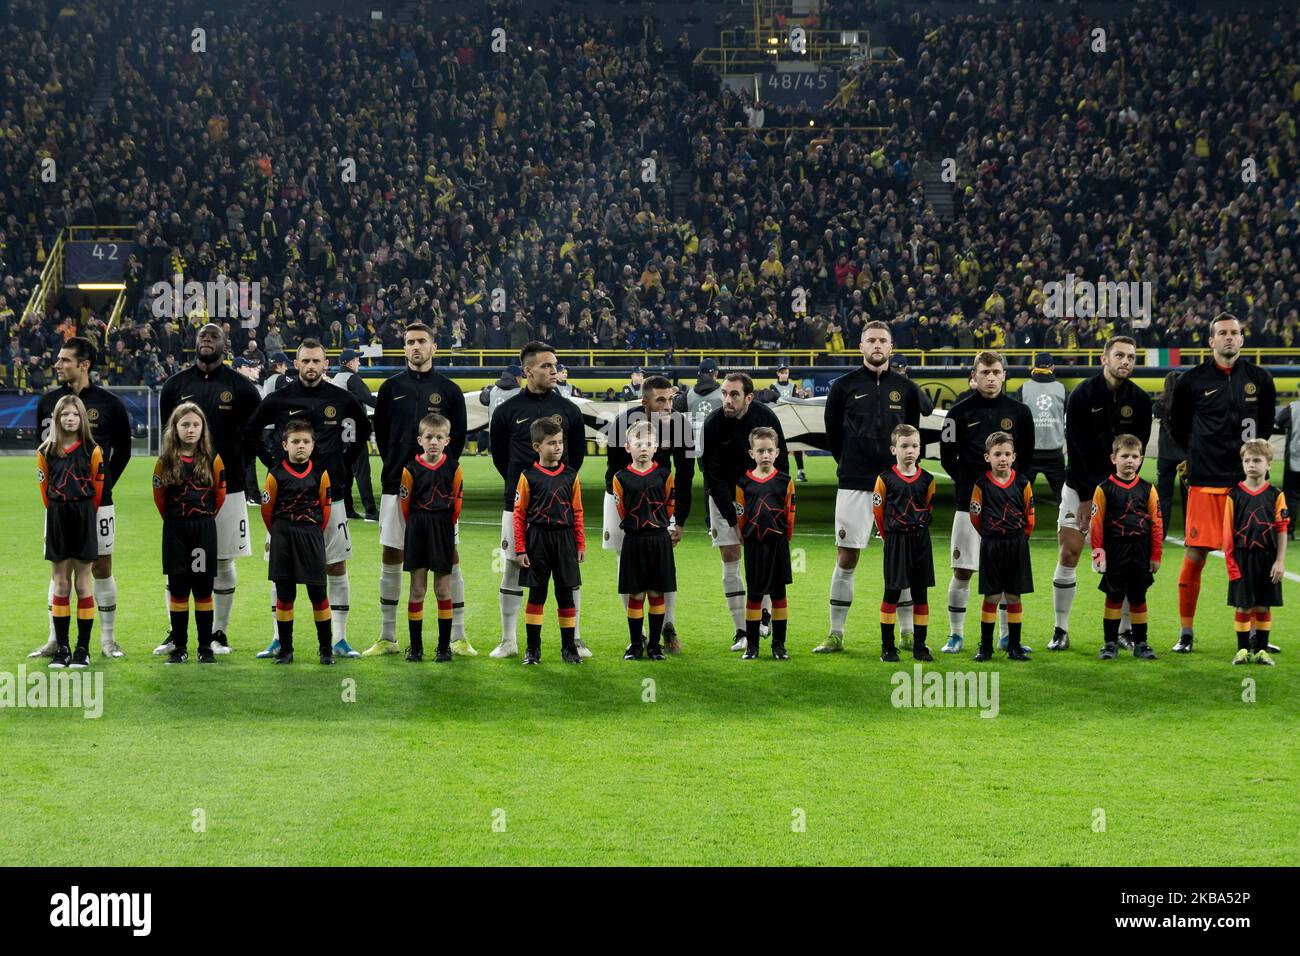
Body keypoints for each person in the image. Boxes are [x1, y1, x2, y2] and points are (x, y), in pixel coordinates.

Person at [244, 339, 369, 660]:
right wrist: (273, 463)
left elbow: (361, 432)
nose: (311, 367)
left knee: (336, 565)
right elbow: (251, 432)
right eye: (305, 361)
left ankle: (339, 639)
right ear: (296, 364)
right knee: (279, 570)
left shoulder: (342, 399)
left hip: (332, 498)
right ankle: (277, 639)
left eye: (317, 361)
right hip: (287, 502)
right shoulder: (279, 398)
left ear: (325, 364)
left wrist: (342, 467)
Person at [1169, 314, 1276, 653]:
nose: (1229, 338)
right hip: (1206, 482)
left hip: (1248, 486)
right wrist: (1201, 454)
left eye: (1235, 333)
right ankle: (1186, 633)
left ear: (1242, 340)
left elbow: (1266, 426)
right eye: (1222, 333)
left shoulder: (1260, 379)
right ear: (1211, 340)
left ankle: (1259, 637)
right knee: (1195, 555)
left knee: (1257, 558)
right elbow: (1179, 426)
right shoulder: (1192, 380)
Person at [156, 324, 262, 656]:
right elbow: (166, 438)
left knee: (224, 559)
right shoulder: (175, 385)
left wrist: (239, 471)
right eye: (203, 336)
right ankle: (176, 634)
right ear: (195, 343)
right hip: (181, 490)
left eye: (214, 337)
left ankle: (219, 632)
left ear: (225, 345)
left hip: (227, 487)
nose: (207, 340)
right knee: (178, 565)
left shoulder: (242, 388)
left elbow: (254, 436)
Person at [817, 322, 922, 653]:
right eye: (871, 340)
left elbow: (911, 433)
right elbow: (832, 433)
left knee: (903, 557)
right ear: (860, 346)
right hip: (855, 481)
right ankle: (836, 633)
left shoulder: (905, 388)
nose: (877, 345)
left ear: (891, 347)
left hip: (898, 484)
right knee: (847, 556)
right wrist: (850, 460)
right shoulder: (843, 386)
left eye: (883, 341)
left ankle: (906, 633)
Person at [29, 337, 132, 660]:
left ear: (84, 364)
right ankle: (54, 640)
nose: (58, 365)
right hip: (60, 505)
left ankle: (107, 640)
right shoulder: (48, 403)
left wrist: (100, 487)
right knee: (59, 569)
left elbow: (123, 452)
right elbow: (43, 453)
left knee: (101, 567)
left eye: (65, 360)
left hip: (98, 503)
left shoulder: (110, 403)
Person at [371, 323, 470, 656]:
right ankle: (388, 636)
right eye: (410, 342)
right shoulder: (389, 388)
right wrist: (399, 469)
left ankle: (457, 636)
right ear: (404, 348)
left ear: (434, 347)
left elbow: (458, 439)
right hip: (395, 485)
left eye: (422, 341)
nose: (416, 347)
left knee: (449, 558)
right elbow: (382, 436)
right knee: (392, 553)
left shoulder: (450, 391)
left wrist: (440, 475)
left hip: (438, 492)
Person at [1049, 336, 1152, 651]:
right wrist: (1084, 496)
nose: (1126, 362)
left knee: (1123, 561)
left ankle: (1123, 631)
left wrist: (1125, 490)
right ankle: (1060, 629)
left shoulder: (1141, 400)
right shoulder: (1083, 394)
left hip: (1121, 494)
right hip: (1080, 488)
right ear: (1104, 359)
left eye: (1131, 357)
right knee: (1069, 553)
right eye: (1119, 355)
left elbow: (1138, 450)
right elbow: (1075, 446)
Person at [489, 341, 588, 658]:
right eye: (546, 366)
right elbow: (500, 458)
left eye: (555, 365)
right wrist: (523, 486)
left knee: (566, 573)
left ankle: (575, 639)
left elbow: (577, 458)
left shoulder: (571, 410)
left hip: (559, 511)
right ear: (527, 370)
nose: (554, 371)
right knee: (513, 567)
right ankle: (509, 640)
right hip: (518, 507)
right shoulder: (507, 412)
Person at [938, 351, 1035, 654]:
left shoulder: (1020, 412)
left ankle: (1007, 636)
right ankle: (956, 635)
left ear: (1004, 375)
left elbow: (1027, 457)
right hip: (969, 504)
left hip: (1008, 509)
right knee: (963, 569)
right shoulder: (957, 412)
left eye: (996, 372)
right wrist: (972, 484)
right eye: (985, 372)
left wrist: (1007, 490)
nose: (991, 378)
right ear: (974, 375)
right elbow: (946, 457)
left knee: (1007, 576)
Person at [602, 373, 694, 653]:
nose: (668, 406)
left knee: (662, 566)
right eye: (661, 400)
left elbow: (686, 476)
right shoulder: (622, 423)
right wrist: (632, 513)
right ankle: (638, 635)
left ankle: (668, 627)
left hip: (659, 495)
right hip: (623, 496)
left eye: (671, 399)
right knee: (625, 563)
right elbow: (614, 474)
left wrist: (679, 518)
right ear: (645, 402)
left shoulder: (681, 425)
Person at [700, 371, 789, 651]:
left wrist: (775, 501)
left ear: (749, 397)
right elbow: (712, 475)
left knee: (762, 554)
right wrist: (733, 518)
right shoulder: (713, 423)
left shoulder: (765, 417)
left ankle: (763, 614)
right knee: (730, 554)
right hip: (725, 494)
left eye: (734, 394)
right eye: (724, 393)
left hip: (761, 497)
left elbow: (781, 459)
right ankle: (740, 631)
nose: (727, 399)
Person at [153, 403, 226, 664]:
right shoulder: (164, 462)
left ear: (203, 428)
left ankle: (205, 647)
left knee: (204, 590)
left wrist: (201, 519)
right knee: (179, 589)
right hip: (175, 530)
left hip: (203, 529)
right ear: (175, 429)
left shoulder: (212, 459)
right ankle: (180, 647)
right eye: (185, 425)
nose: (191, 429)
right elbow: (159, 498)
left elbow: (220, 494)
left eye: (196, 424)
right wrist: (178, 521)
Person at [37, 394, 104, 670]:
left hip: (84, 514)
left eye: (75, 414)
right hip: (57, 516)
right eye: (64, 414)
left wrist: (82, 510)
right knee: (61, 582)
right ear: (57, 418)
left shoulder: (92, 449)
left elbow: (97, 492)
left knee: (83, 582)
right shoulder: (45, 451)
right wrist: (58, 509)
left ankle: (82, 649)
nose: (70, 418)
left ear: (82, 418)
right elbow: (44, 492)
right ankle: (62, 649)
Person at [261, 419, 335, 665]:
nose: (300, 446)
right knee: (285, 594)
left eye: (305, 442)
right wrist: (281, 532)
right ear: (285, 445)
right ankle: (286, 650)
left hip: (311, 535)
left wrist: (312, 530)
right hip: (283, 535)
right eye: (295, 442)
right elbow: (267, 510)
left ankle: (325, 649)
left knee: (318, 592)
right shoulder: (275, 474)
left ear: (313, 445)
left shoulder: (320, 473)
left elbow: (325, 508)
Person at [513, 417, 586, 665]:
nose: (558, 447)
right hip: (537, 540)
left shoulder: (570, 475)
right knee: (537, 595)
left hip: (564, 540)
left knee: (566, 595)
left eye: (561, 442)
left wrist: (580, 544)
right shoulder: (528, 476)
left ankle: (569, 648)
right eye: (552, 443)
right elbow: (519, 513)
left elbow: (577, 511)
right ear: (537, 447)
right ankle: (533, 649)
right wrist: (521, 548)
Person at [1089, 434, 1162, 661]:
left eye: (1134, 456)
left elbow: (1157, 523)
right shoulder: (1103, 489)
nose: (1129, 461)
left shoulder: (1148, 489)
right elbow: (1096, 523)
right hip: (1115, 550)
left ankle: (1141, 643)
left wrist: (1156, 554)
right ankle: (1109, 644)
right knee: (1114, 596)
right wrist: (1098, 554)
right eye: (1124, 456)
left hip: (1140, 550)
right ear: (1114, 458)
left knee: (1138, 597)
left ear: (1141, 459)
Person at [399, 413, 464, 663]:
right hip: (417, 526)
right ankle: (415, 648)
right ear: (420, 440)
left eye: (439, 437)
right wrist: (418, 522)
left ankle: (443, 647)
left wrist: (443, 522)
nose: (434, 442)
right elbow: (405, 504)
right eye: (429, 437)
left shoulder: (454, 467)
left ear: (447, 440)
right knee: (417, 588)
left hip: (443, 526)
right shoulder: (410, 468)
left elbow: (457, 502)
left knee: (443, 589)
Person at [611, 419, 678, 661]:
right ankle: (636, 643)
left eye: (649, 443)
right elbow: (621, 510)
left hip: (658, 539)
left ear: (656, 447)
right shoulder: (620, 477)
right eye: (638, 443)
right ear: (628, 447)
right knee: (636, 595)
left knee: (656, 593)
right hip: (634, 540)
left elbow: (670, 505)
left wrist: (657, 523)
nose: (643, 448)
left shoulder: (664, 474)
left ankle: (655, 646)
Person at [871, 424, 936, 662]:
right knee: (892, 593)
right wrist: (890, 536)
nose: (910, 450)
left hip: (921, 541)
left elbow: (928, 506)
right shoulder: (885, 479)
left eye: (915, 446)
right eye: (904, 446)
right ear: (893, 449)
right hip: (896, 540)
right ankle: (887, 647)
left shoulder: (927, 479)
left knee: (921, 594)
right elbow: (878, 511)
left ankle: (920, 645)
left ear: (920, 449)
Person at [967, 432, 1034, 661]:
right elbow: (975, 516)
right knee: (992, 596)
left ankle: (1014, 646)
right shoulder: (981, 484)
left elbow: (1030, 516)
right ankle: (985, 647)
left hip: (1016, 544)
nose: (1002, 458)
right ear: (988, 457)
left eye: (1007, 454)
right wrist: (990, 535)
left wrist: (1019, 537)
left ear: (1014, 456)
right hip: (992, 545)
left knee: (1014, 596)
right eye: (997, 454)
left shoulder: (1023, 483)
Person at [1222, 439, 1288, 666]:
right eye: (1247, 460)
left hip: (1268, 558)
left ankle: (1260, 650)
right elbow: (1227, 533)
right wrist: (1231, 563)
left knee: (1263, 605)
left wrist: (1279, 561)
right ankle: (1242, 650)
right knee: (1243, 604)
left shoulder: (1276, 495)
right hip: (1242, 557)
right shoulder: (1234, 495)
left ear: (1269, 464)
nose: (1251, 464)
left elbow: (1281, 529)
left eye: (1257, 460)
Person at [734, 426, 795, 660]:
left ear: (778, 452)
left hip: (778, 544)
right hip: (754, 546)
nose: (766, 455)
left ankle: (779, 645)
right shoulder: (743, 483)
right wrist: (747, 536)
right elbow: (741, 514)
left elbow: (791, 513)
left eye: (770, 450)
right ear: (752, 454)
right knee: (755, 594)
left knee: (779, 594)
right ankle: (752, 646)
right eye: (761, 451)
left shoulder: (785, 481)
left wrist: (783, 538)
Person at [332, 348, 379, 521]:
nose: (359, 362)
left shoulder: (337, 379)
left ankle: (348, 508)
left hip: (341, 430)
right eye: (357, 360)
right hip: (353, 428)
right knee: (362, 470)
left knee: (347, 471)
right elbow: (367, 398)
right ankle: (371, 510)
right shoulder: (352, 378)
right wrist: (389, 405)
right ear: (350, 362)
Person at [1018, 351, 1067, 502]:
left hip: (1029, 451)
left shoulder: (1023, 389)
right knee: (1064, 497)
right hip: (1054, 451)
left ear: (1034, 367)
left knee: (1020, 495)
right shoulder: (1062, 389)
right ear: (1052, 367)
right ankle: (1068, 525)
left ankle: (1014, 524)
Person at [1153, 371, 1187, 537]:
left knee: (1164, 497)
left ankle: (1162, 532)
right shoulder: (1190, 404)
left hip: (1166, 456)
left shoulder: (1159, 404)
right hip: (1185, 457)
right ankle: (1190, 533)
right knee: (1188, 497)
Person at [770, 364, 808, 481]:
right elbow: (772, 402)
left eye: (786, 372)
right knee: (781, 448)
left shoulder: (793, 386)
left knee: (797, 446)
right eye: (782, 372)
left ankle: (800, 472)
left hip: (792, 419)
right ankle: (779, 472)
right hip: (779, 420)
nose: (784, 375)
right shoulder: (773, 386)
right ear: (778, 374)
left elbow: (796, 401)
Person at [474, 363, 521, 456]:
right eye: (520, 377)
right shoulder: (520, 393)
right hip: (513, 438)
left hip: (494, 436)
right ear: (516, 377)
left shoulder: (493, 390)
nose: (521, 380)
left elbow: (483, 399)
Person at [1275, 397, 1300, 539]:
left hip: (1295, 460)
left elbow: (1278, 421)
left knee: (1291, 495)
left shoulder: (1293, 408)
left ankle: (1289, 530)